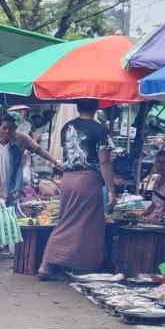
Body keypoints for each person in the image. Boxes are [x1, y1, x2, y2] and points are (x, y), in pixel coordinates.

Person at [39, 99, 115, 278]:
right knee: (88, 224)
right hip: (87, 181)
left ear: (77, 107)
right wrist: (111, 189)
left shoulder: (67, 127)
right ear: (96, 107)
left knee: (66, 220)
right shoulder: (99, 129)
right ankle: (54, 265)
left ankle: (54, 265)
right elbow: (104, 161)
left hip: (67, 179)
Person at [0, 113, 59, 205]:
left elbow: (39, 150)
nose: (7, 131)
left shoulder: (21, 139)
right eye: (4, 128)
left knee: (12, 207)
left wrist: (55, 162)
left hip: (13, 185)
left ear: (15, 128)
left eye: (11, 128)